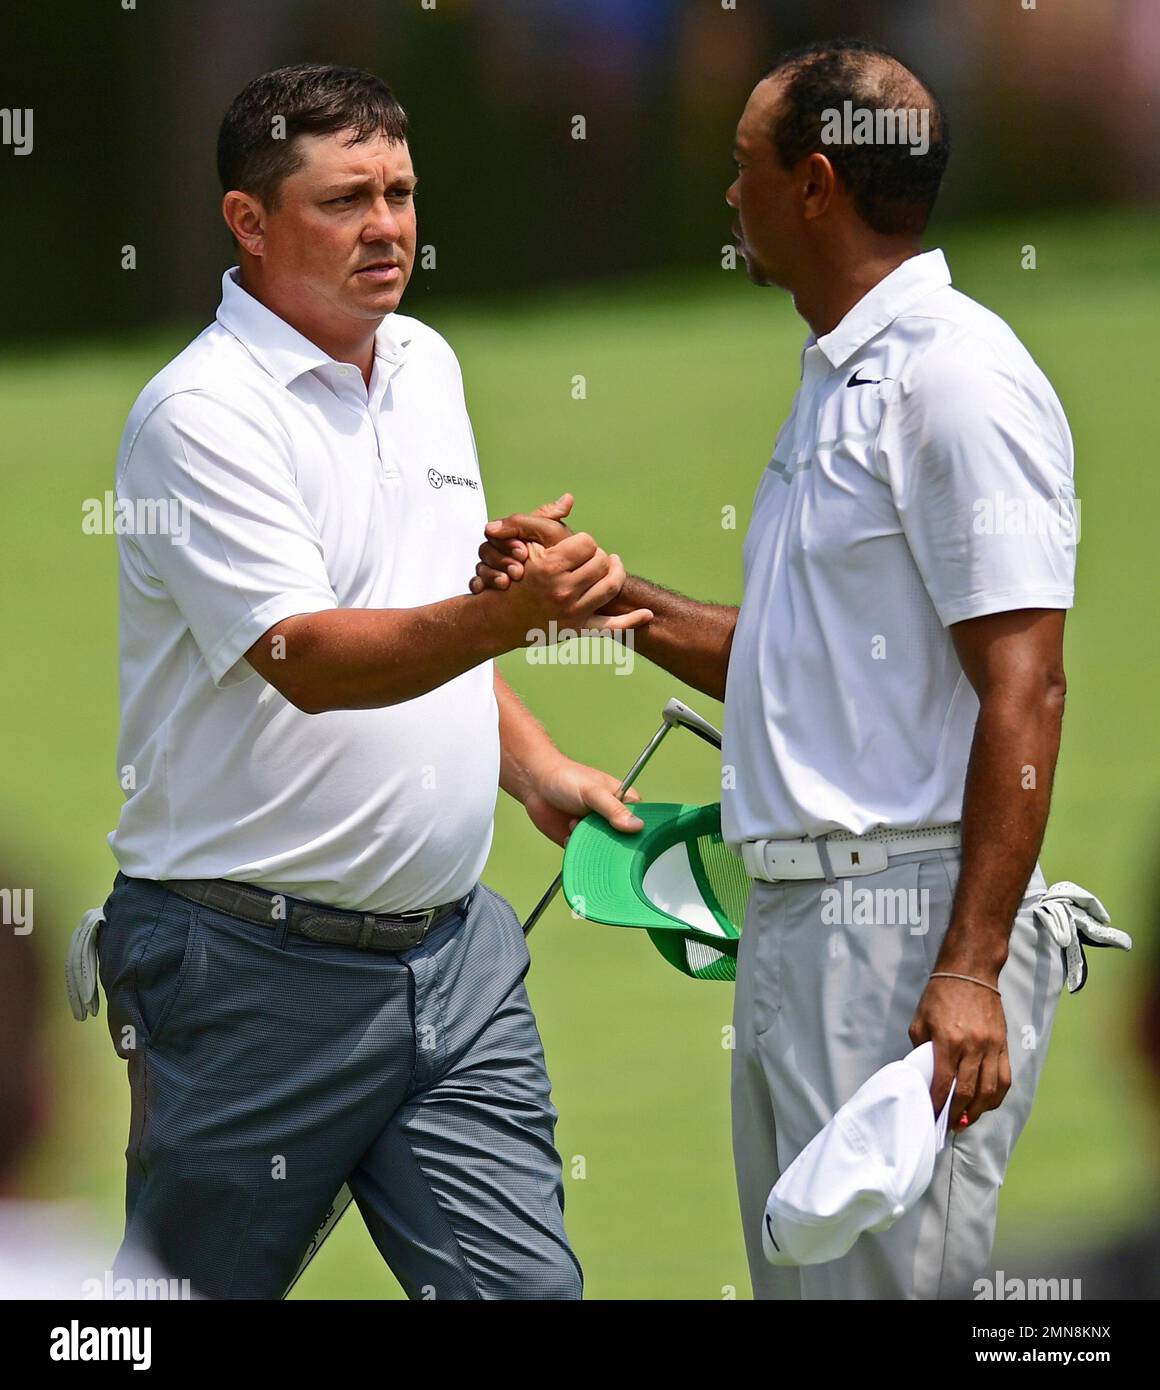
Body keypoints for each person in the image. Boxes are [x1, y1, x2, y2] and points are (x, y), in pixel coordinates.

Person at [472, 39, 1079, 1299]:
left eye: (742, 168)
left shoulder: (952, 378)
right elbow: (789, 660)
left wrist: (967, 966)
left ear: (812, 185)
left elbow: (1028, 685)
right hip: (804, 926)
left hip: (906, 932)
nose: (726, 196)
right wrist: (605, 598)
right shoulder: (839, 377)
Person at [100, 62, 651, 1301]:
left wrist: (532, 763)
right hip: (245, 974)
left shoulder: (423, 364)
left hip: (455, 967)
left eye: (400, 192)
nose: (389, 226)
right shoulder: (200, 416)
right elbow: (309, 659)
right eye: (346, 199)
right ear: (249, 222)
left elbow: (418, 611)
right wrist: (505, 614)